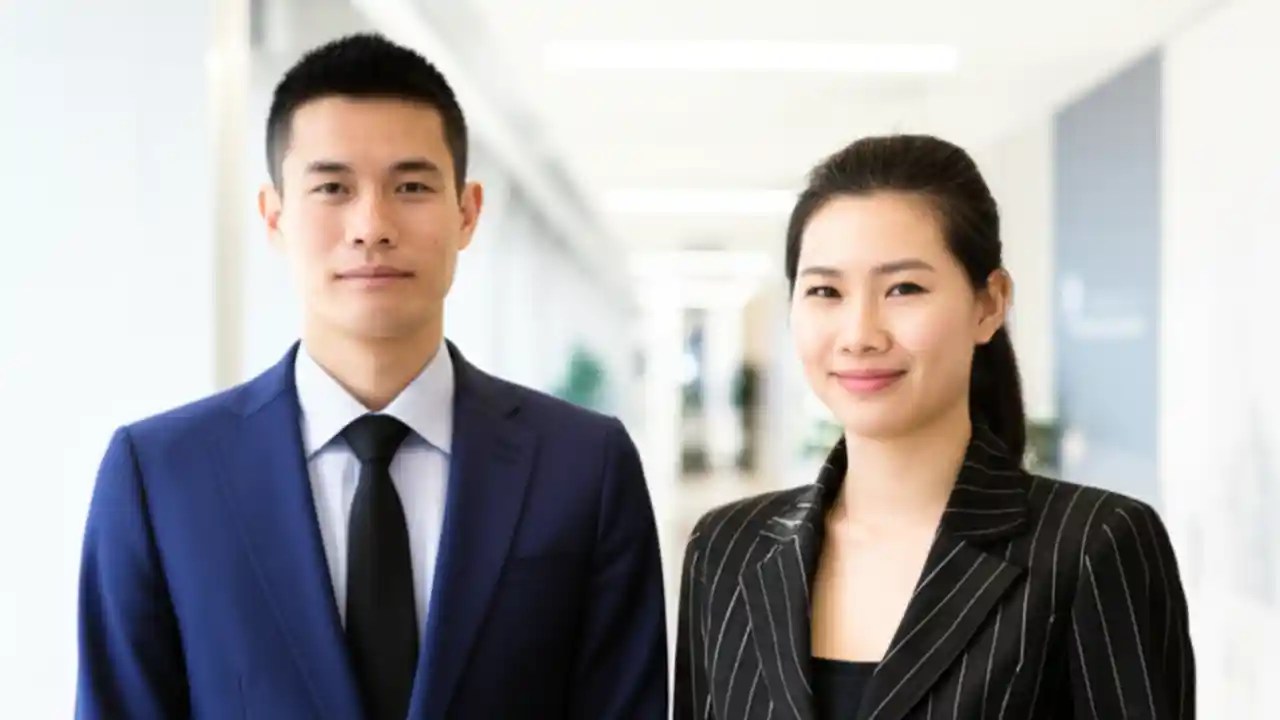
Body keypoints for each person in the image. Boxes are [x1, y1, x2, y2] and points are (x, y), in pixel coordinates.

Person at [76, 33, 666, 720]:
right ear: (274, 216)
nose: (372, 225)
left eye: (411, 187)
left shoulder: (584, 468)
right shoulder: (162, 477)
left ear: (467, 211)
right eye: (332, 188)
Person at [673, 135, 1194, 719]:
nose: (860, 332)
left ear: (990, 304)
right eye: (825, 291)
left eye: (904, 289)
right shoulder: (726, 551)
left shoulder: (1092, 546)